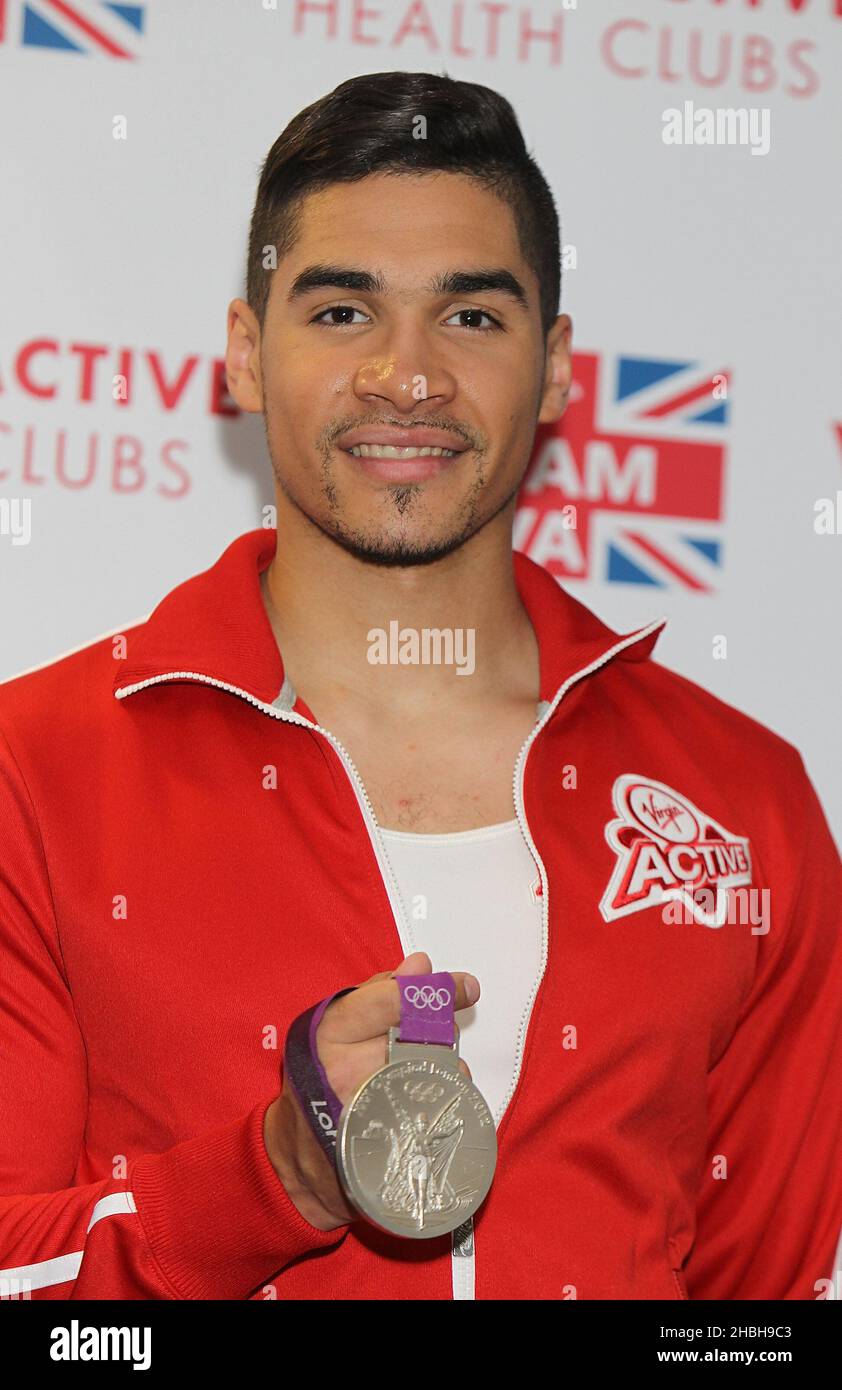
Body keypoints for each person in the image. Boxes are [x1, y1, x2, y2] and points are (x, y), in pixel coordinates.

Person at [1, 71, 840, 1302]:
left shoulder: (741, 802)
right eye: (341, 313)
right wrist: (274, 1178)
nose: (406, 376)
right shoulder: (35, 769)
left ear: (554, 369)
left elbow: (762, 1312)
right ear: (244, 355)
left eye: (471, 318)